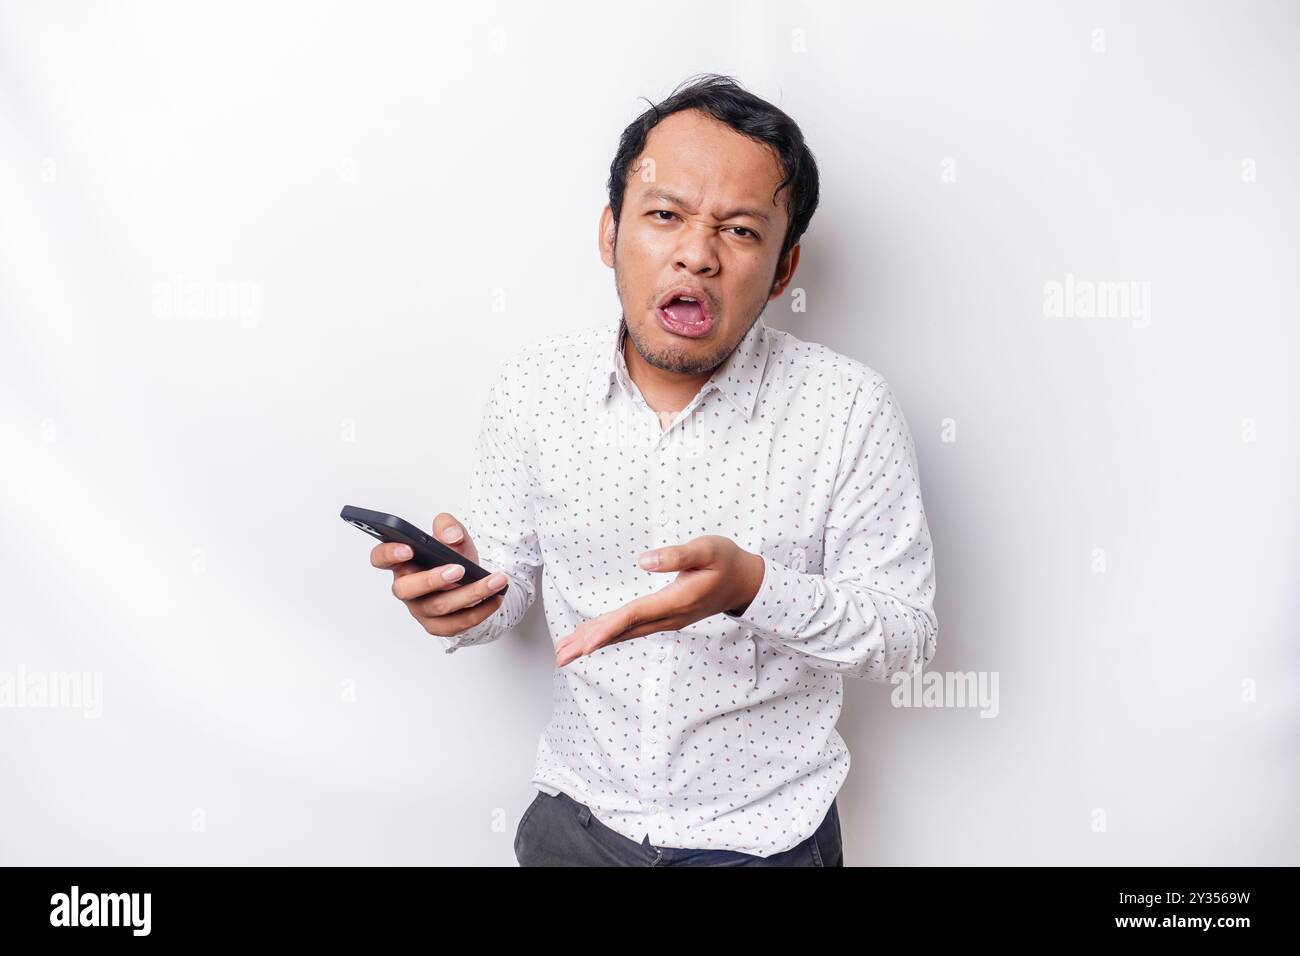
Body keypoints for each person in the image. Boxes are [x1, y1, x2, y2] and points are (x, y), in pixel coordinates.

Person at [370, 74, 938, 866]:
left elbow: (905, 639)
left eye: (740, 231)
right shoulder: (533, 389)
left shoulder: (848, 408)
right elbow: (506, 597)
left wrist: (754, 589)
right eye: (664, 215)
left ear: (782, 269)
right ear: (611, 232)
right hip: (577, 828)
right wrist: (458, 601)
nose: (696, 255)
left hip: (764, 843)